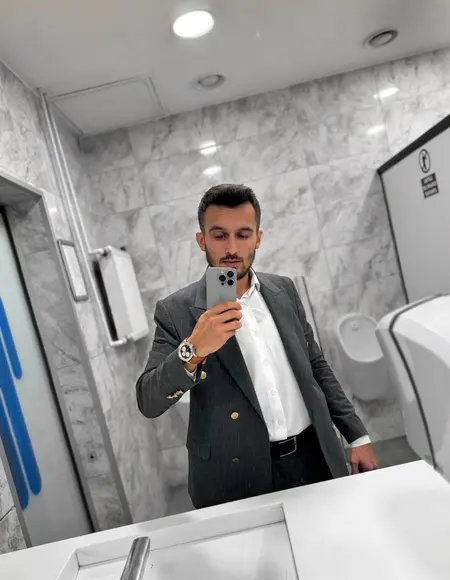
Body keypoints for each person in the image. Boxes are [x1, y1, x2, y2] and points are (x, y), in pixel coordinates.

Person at [136, 184, 377, 509]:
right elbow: (149, 401)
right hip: (236, 475)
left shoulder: (283, 290)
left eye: (243, 234)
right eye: (219, 235)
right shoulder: (177, 310)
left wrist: (357, 435)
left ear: (258, 238)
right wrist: (194, 349)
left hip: (314, 456)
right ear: (202, 240)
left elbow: (316, 367)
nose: (231, 247)